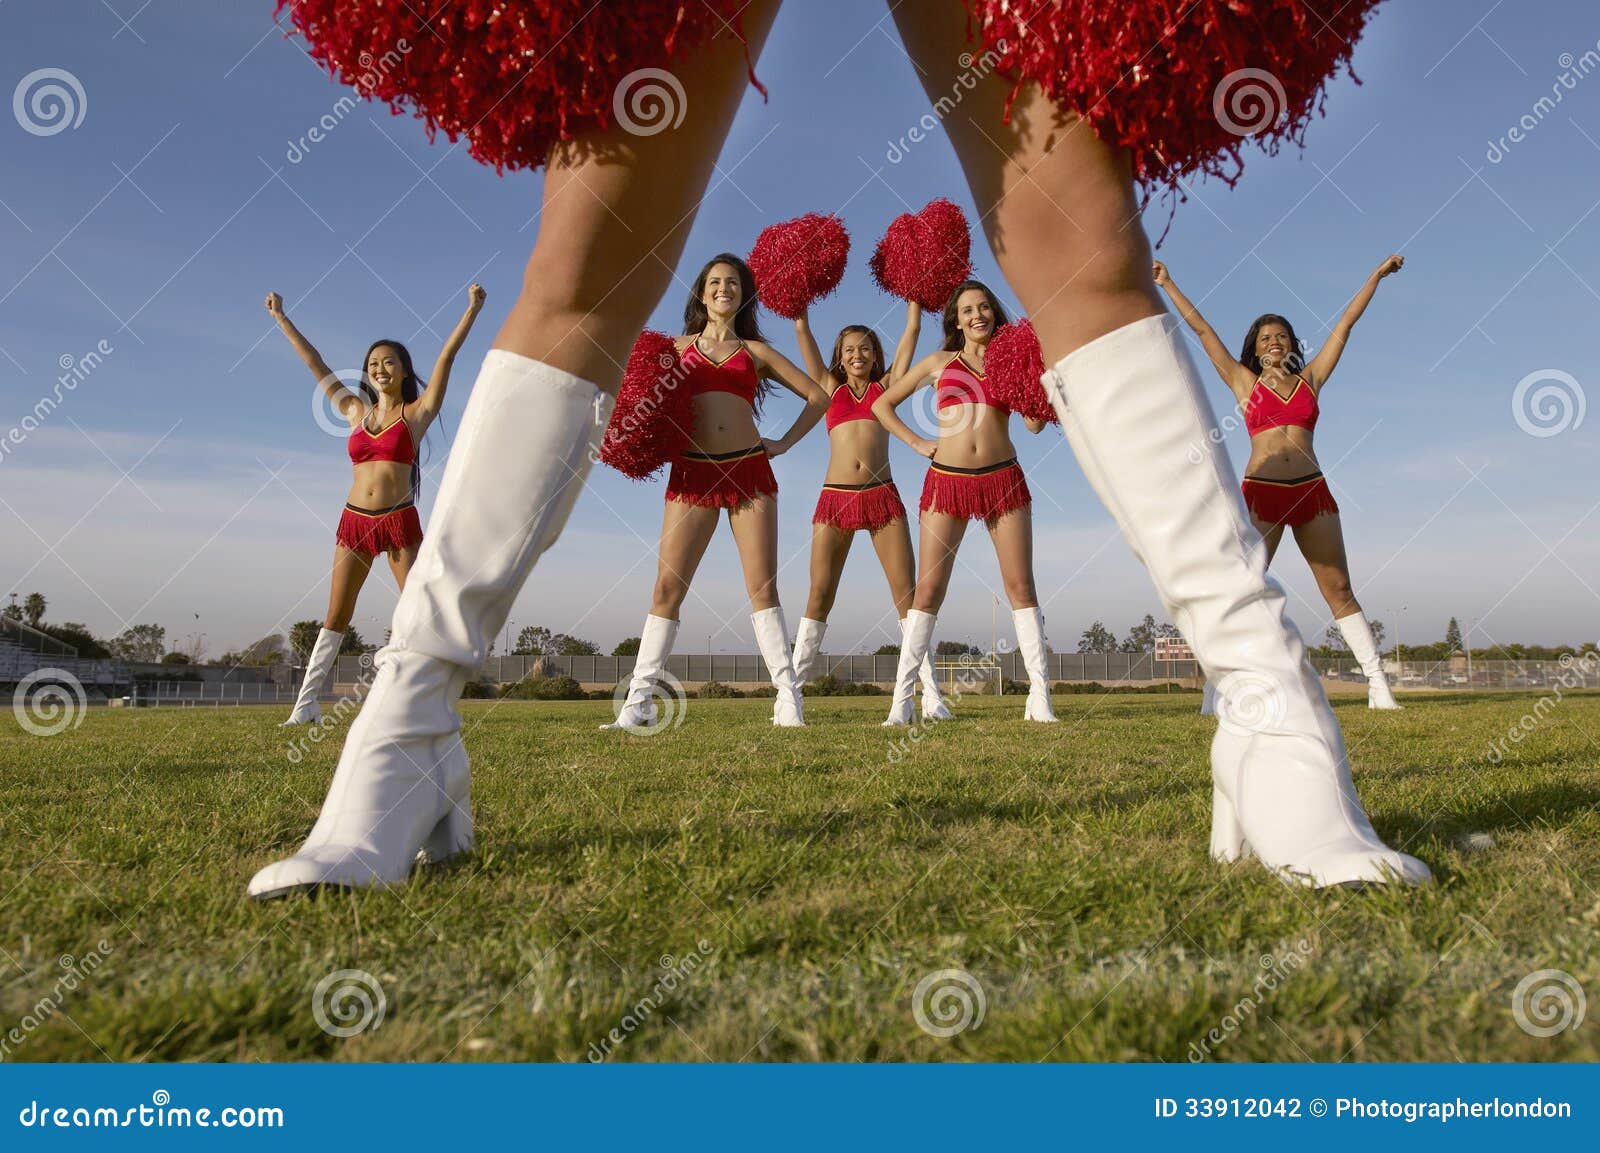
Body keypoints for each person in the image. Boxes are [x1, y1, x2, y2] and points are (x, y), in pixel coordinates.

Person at [252, 0, 1425, 897]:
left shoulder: (853, 352)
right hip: (826, 476)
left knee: (1085, 243)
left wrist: (838, 389)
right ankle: (406, 728)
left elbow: (844, 381)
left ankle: (1268, 708)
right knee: (581, 270)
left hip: (879, 474)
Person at [1154, 257, 1406, 711]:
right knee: (1243, 591)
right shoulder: (1243, 381)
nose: (1274, 342)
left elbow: (1345, 324)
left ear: (1292, 343)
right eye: (1266, 338)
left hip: (1311, 491)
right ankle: (1218, 688)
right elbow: (1203, 331)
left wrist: (1375, 277)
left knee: (1338, 588)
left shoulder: (1312, 378)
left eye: (1282, 336)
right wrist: (1168, 283)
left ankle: (1377, 684)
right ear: (1255, 348)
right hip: (1261, 494)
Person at [605, 254, 830, 731]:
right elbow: (629, 385)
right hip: (692, 472)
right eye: (715, 282)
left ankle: (788, 698)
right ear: (701, 293)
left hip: (748, 469)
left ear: (742, 296)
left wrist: (784, 443)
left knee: (762, 586)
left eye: (732, 283)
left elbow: (819, 397)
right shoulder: (673, 348)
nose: (723, 288)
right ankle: (638, 703)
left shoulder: (756, 351)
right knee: (667, 588)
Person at [264, 286, 484, 726]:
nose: (380, 369)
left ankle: (424, 697)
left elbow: (447, 358)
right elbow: (314, 363)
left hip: (398, 521)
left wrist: (472, 310)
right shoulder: (354, 411)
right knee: (336, 613)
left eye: (389, 362)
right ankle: (306, 705)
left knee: (417, 610)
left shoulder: (417, 413)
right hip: (354, 522)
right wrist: (281, 318)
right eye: (373, 364)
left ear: (403, 371)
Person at [871, 283, 1056, 724]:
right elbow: (882, 405)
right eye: (968, 309)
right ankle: (902, 702)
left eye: (985, 307)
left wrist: (1043, 378)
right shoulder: (938, 362)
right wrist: (917, 442)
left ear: (994, 313)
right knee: (928, 590)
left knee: (1020, 585)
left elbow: (1033, 426)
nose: (978, 315)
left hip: (1002, 478)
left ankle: (1040, 696)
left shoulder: (1010, 362)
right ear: (955, 319)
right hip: (947, 481)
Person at [787, 302, 952, 720]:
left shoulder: (887, 386)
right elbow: (804, 339)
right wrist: (799, 314)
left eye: (864, 348)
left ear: (876, 354)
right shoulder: (830, 388)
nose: (857, 355)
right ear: (839, 358)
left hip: (882, 497)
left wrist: (914, 305)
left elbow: (910, 336)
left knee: (908, 596)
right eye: (849, 350)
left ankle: (930, 696)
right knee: (819, 595)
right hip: (835, 498)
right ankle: (791, 697)